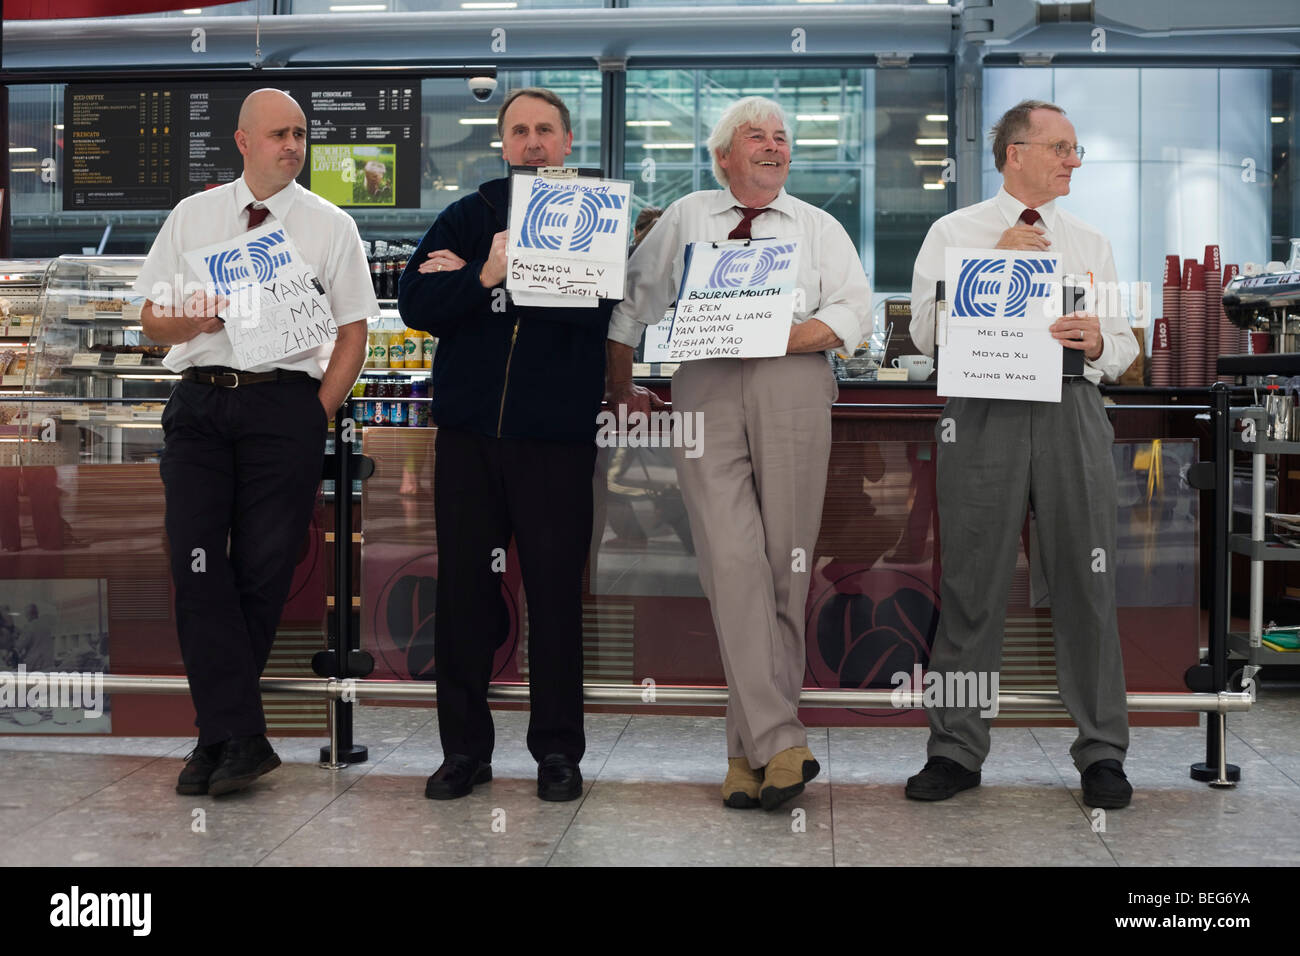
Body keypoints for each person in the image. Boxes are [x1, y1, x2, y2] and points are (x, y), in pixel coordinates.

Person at [606, 96, 868, 811]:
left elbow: (854, 313)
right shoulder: (690, 214)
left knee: (786, 564)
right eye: (757, 136)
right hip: (706, 382)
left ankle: (745, 755)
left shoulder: (819, 226)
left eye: (783, 137)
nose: (774, 146)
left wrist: (783, 335)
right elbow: (632, 303)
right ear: (724, 156)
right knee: (730, 560)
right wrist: (620, 386)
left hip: (792, 379)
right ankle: (781, 737)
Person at [136, 88, 376, 797]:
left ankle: (220, 740)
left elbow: (354, 330)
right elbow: (151, 318)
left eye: (301, 134)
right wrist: (191, 321)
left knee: (263, 572)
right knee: (198, 566)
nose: (292, 145)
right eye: (279, 134)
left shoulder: (331, 226)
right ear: (242, 141)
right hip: (202, 403)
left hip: (285, 407)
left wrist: (316, 414)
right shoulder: (194, 215)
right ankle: (236, 735)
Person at [906, 99, 1138, 809]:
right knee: (972, 587)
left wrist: (1098, 343)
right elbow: (919, 335)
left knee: (1086, 585)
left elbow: (1125, 345)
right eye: (1061, 147)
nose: (1074, 160)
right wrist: (987, 268)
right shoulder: (955, 231)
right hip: (982, 409)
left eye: (1074, 150)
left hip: (1072, 408)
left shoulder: (1090, 240)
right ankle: (954, 750)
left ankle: (1102, 753)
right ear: (1016, 153)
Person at [399, 87, 617, 803]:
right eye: (518, 130)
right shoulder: (469, 215)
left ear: (567, 142)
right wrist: (483, 272)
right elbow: (414, 305)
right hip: (468, 440)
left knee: (555, 599)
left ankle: (558, 751)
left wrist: (478, 281)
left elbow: (603, 312)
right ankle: (464, 752)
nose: (532, 142)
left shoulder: (598, 217)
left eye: (545, 131)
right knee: (463, 597)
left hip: (554, 442)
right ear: (502, 143)